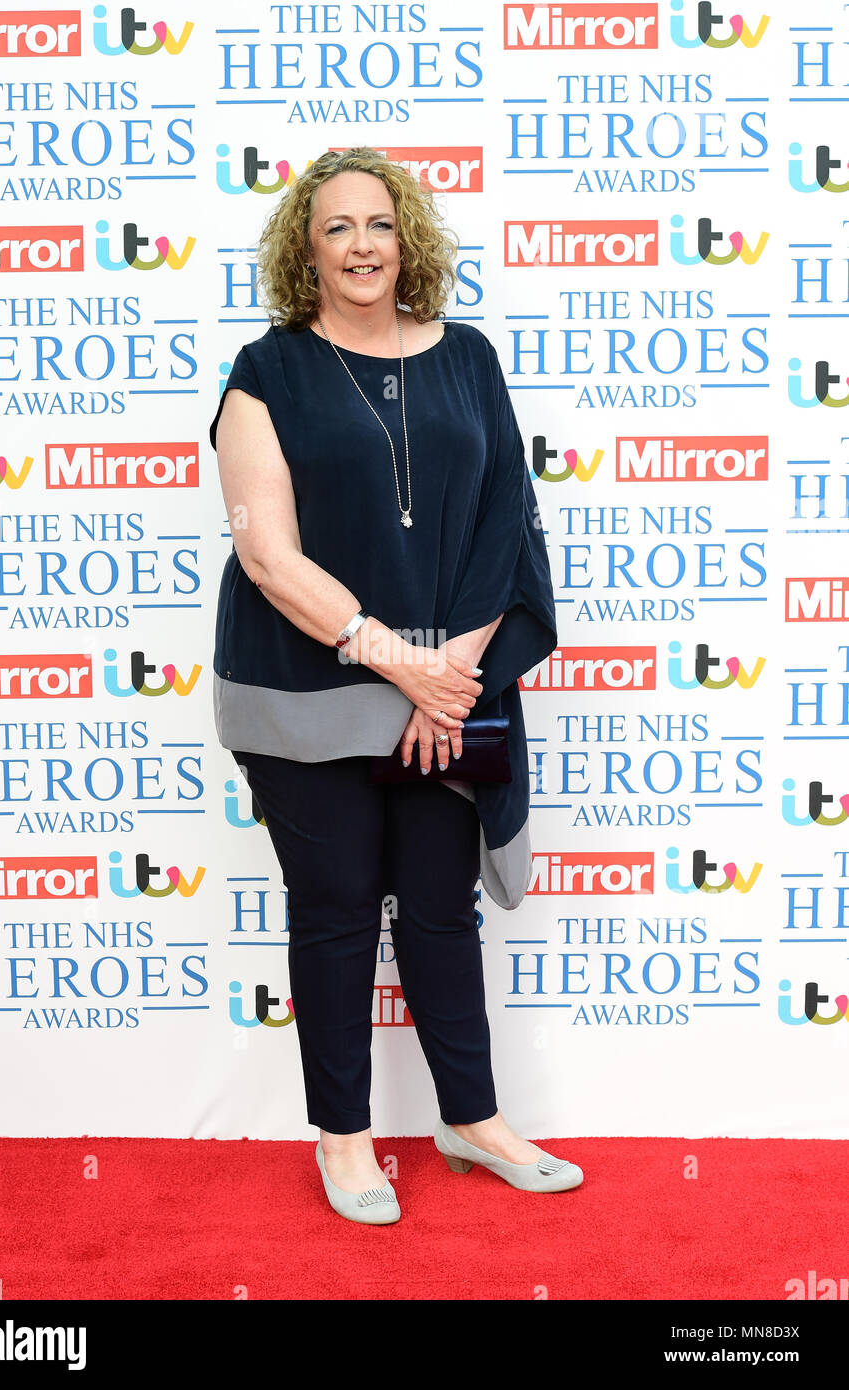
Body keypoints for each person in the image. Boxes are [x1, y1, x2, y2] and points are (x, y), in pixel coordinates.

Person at [210, 146, 583, 1224]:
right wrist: (400, 663)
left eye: (377, 224)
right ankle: (343, 1138)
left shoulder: (467, 357)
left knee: (436, 911)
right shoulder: (264, 373)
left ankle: (468, 1116)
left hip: (445, 689)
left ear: (405, 237)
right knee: (332, 913)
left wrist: (447, 674)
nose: (360, 245)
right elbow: (269, 560)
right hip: (307, 693)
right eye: (335, 228)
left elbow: (503, 524)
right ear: (305, 249)